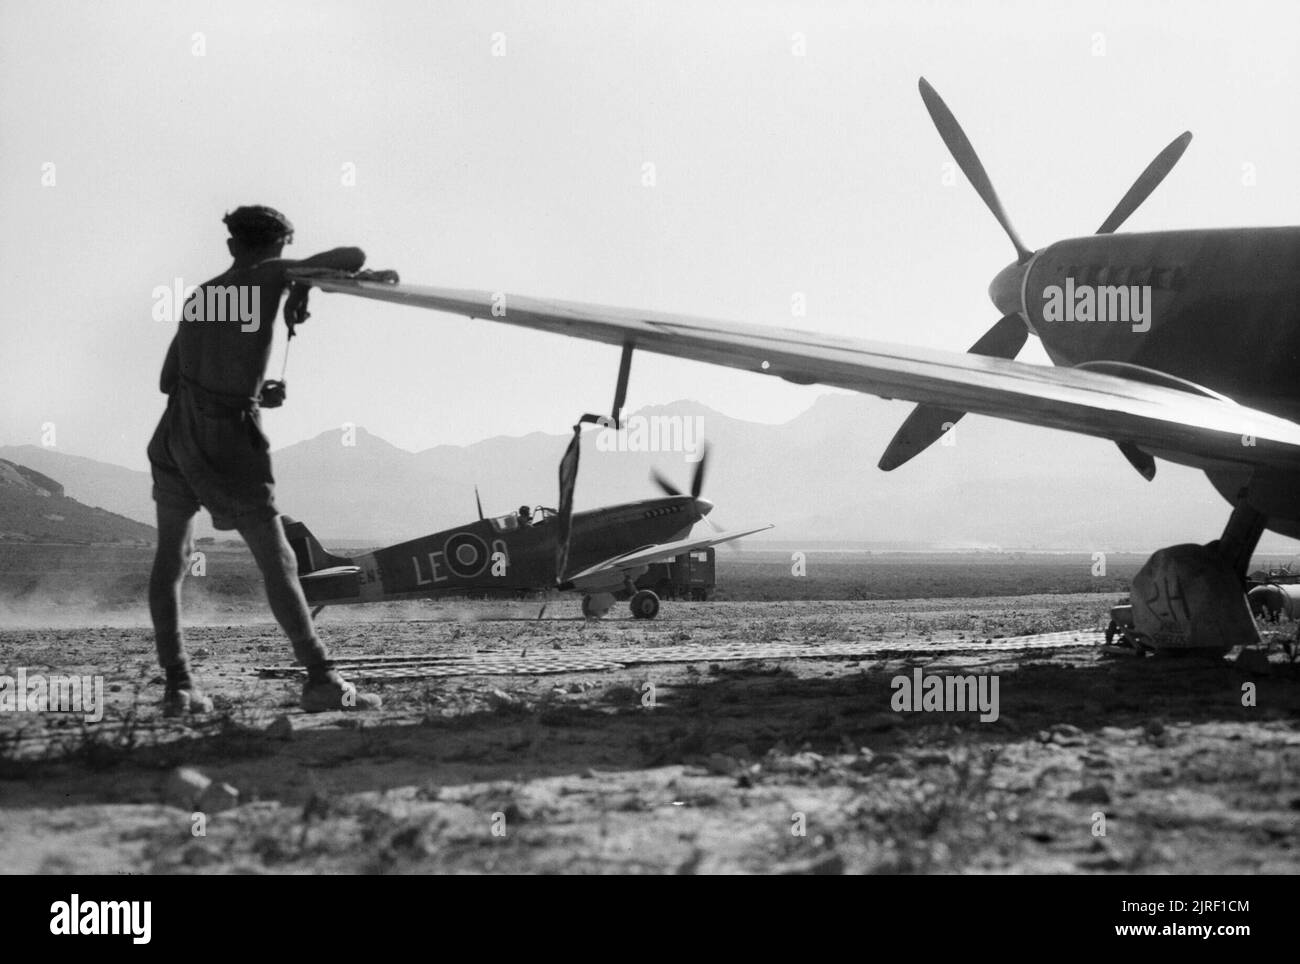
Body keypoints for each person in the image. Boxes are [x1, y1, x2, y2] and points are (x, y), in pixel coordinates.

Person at [147, 205, 381, 716]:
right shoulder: (272, 275)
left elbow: (168, 379)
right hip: (225, 437)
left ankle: (178, 686)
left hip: (174, 432)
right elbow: (354, 256)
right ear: (278, 247)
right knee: (277, 557)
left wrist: (243, 389)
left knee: (173, 559)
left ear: (231, 245)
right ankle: (320, 677)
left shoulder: (201, 297)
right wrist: (298, 283)